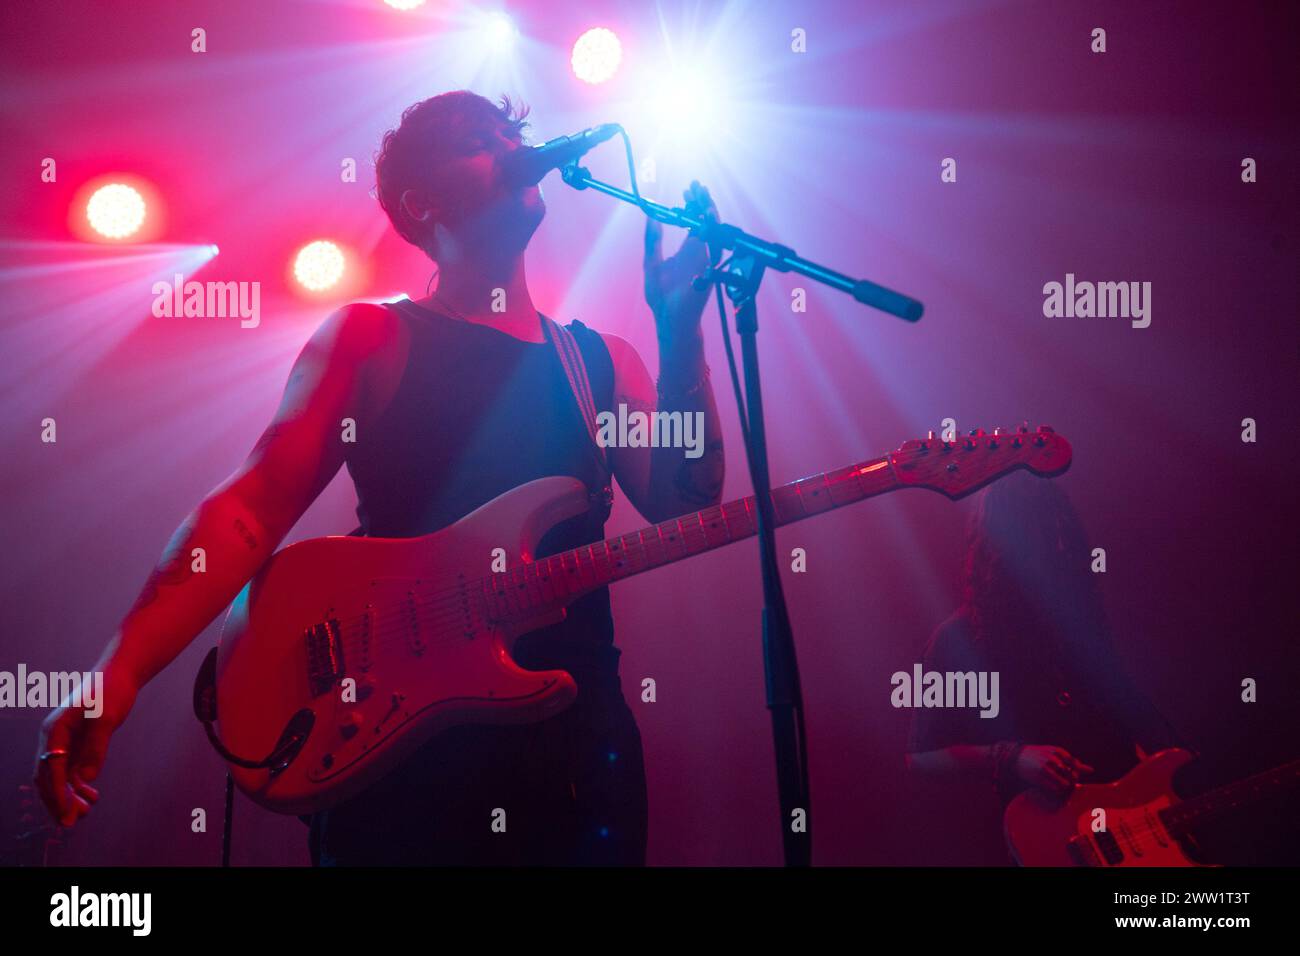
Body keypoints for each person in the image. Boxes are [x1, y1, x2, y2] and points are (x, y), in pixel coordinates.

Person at [34, 91, 726, 865]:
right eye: (478, 141)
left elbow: (685, 499)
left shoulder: (599, 362)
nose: (511, 147)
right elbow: (250, 511)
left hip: (575, 738)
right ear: (420, 203)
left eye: (510, 133)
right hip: (397, 747)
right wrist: (118, 671)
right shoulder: (373, 339)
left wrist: (679, 329)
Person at [905, 471, 1179, 811]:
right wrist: (1012, 757)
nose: (1058, 550)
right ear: (1001, 547)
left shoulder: (1081, 620)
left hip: (1128, 818)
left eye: (1059, 539)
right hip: (1048, 831)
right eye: (1041, 538)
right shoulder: (958, 638)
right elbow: (921, 758)